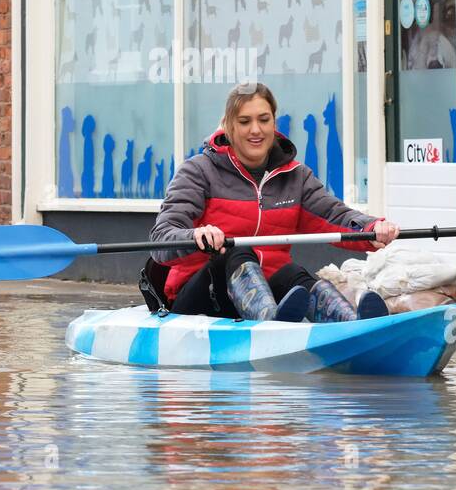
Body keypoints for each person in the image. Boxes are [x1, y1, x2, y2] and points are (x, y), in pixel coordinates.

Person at [149, 82, 399, 322]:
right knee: (234, 251)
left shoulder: (296, 177)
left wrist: (371, 228)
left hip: (268, 290)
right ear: (228, 126)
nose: (255, 130)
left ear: (274, 123)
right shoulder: (198, 171)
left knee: (292, 273)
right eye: (244, 121)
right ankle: (270, 321)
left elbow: (335, 216)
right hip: (201, 298)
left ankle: (351, 322)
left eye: (263, 119)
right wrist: (196, 236)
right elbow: (161, 239)